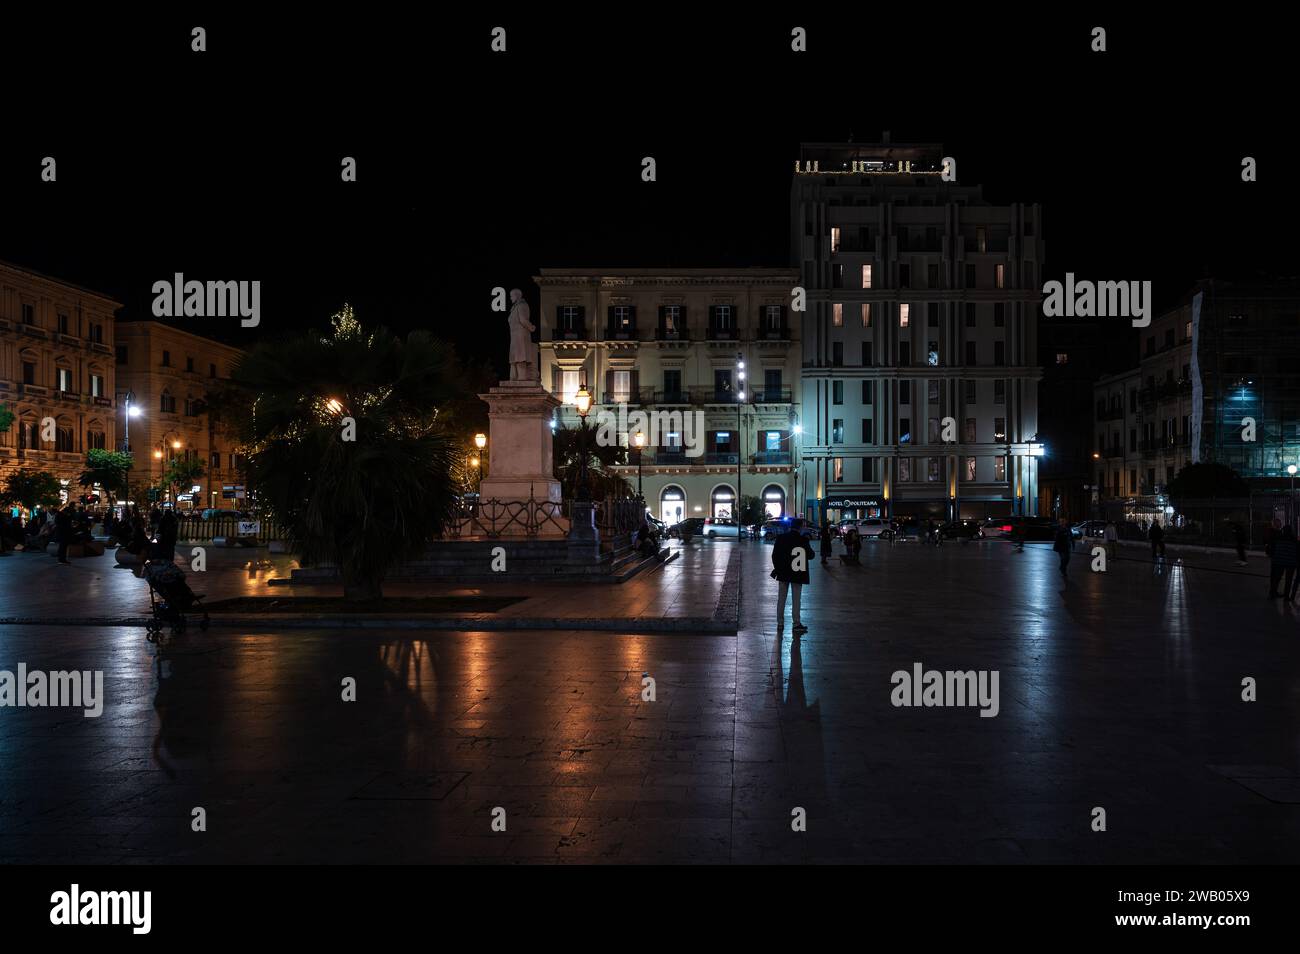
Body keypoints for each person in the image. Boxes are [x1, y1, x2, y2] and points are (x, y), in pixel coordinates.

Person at [772, 524, 814, 635]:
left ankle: (780, 623)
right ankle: (796, 624)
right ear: (799, 529)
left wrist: (777, 568)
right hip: (798, 574)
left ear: (790, 527)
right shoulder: (803, 540)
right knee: (796, 600)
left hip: (783, 573)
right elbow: (811, 555)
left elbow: (774, 555)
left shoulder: (781, 538)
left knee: (781, 598)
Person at [1268, 525, 1298, 600]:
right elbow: (1297, 552)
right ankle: (1286, 596)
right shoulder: (1294, 540)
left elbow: (1273, 549)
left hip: (1279, 561)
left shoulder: (1278, 538)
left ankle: (1272, 593)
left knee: (1277, 578)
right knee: (1289, 580)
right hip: (1290, 563)